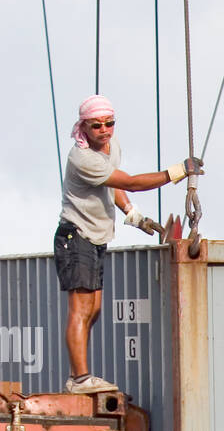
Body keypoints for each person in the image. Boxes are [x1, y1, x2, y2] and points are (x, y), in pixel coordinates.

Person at [55, 94, 204, 393]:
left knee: (94, 308)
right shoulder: (82, 157)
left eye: (109, 123)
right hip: (77, 236)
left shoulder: (111, 146)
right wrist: (177, 172)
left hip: (96, 236)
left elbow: (114, 186)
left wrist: (131, 213)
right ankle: (80, 379)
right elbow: (131, 182)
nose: (104, 130)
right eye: (96, 126)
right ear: (83, 127)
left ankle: (78, 376)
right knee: (80, 308)